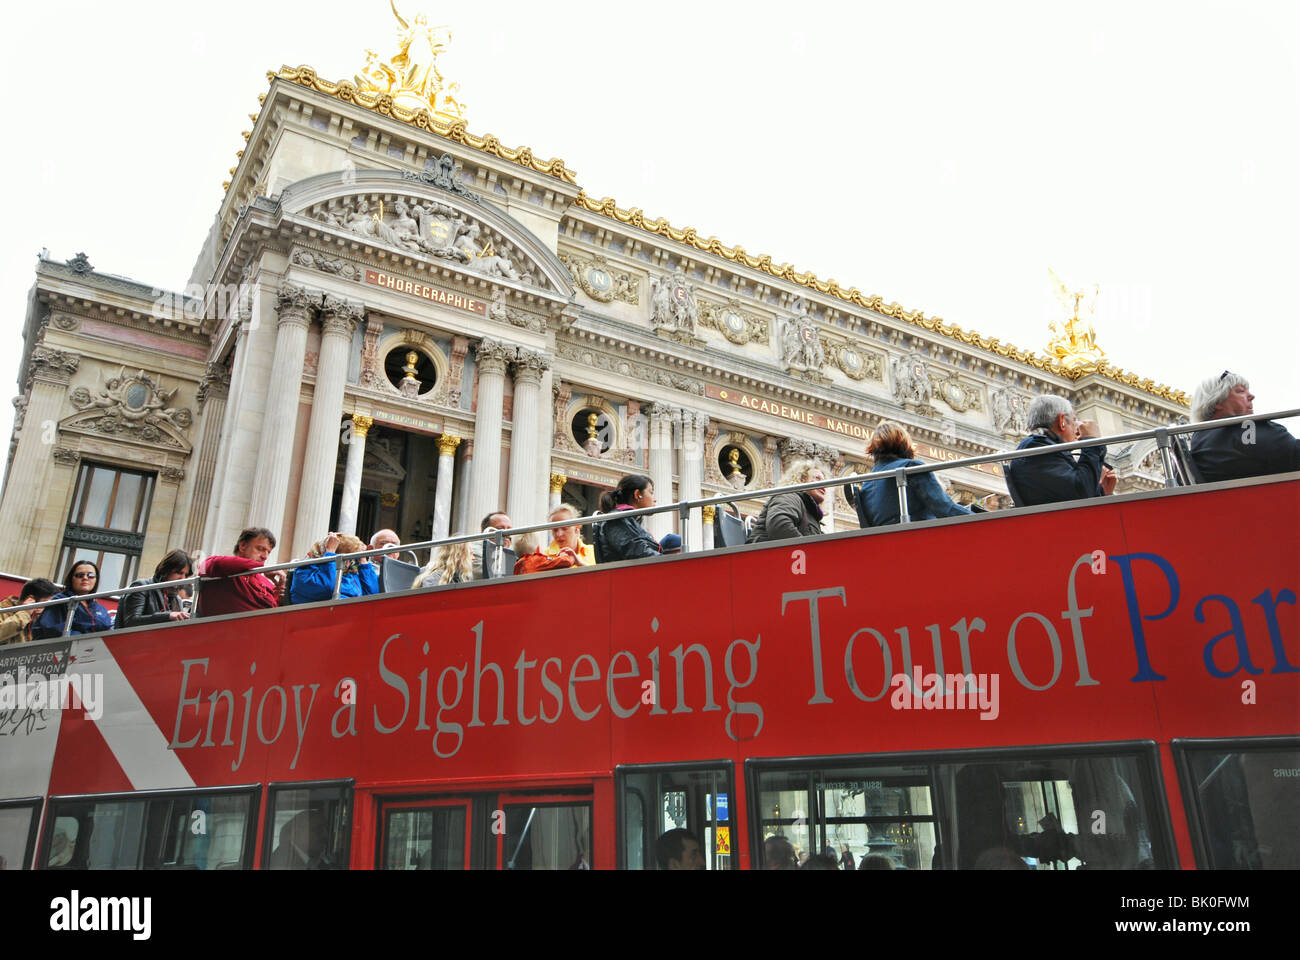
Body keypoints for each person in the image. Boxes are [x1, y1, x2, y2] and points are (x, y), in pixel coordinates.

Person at [1004, 395, 1117, 507]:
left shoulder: (1043, 447)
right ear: (1062, 421)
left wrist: (1103, 492)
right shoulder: (1037, 449)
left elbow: (1071, 494)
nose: (1076, 429)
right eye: (1074, 420)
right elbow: (1081, 492)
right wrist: (1092, 442)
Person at [1188, 372, 1300, 483]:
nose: (1251, 396)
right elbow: (1293, 453)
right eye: (1241, 391)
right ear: (1217, 401)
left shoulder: (1199, 439)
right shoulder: (1246, 429)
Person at [856, 421, 971, 526]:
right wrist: (982, 518)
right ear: (904, 442)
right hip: (920, 538)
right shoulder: (910, 468)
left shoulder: (867, 483)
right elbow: (944, 508)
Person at [197, 527, 285, 617]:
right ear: (242, 546)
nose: (265, 556)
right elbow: (203, 567)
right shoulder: (221, 568)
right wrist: (264, 567)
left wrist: (281, 598)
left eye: (268, 552)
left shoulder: (267, 583)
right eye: (260, 549)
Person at [746, 460, 827, 543]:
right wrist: (807, 551)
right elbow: (780, 526)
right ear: (802, 480)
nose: (823, 484)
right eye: (817, 478)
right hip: (765, 553)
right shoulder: (789, 496)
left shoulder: (810, 511)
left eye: (824, 481)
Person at [31, 561, 114, 639]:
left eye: (91, 575)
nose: (85, 578)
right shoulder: (60, 600)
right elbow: (53, 629)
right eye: (80, 575)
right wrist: (87, 638)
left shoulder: (100, 608)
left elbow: (108, 631)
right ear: (71, 579)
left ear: (96, 580)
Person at [288, 533, 380, 604]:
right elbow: (328, 589)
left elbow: (372, 595)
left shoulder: (349, 575)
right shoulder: (305, 571)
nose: (349, 563)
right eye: (346, 559)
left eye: (351, 559)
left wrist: (363, 560)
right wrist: (331, 555)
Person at [116, 549, 192, 629]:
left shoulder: (177, 599)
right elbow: (131, 622)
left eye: (186, 575)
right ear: (166, 570)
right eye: (179, 573)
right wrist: (168, 616)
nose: (183, 578)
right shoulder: (141, 586)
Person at [592, 475, 662, 563]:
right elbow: (638, 553)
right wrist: (669, 561)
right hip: (628, 574)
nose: (654, 499)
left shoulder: (627, 519)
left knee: (672, 540)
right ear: (638, 495)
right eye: (650, 492)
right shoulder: (617, 520)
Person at [0, 578, 58, 646]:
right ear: (31, 599)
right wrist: (25, 613)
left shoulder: (37, 617)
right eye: (45, 603)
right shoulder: (3, 610)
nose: (46, 609)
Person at [513, 531, 580, 576]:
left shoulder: (518, 565)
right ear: (537, 549)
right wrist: (569, 557)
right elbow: (564, 562)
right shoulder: (535, 560)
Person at [471, 511, 514, 579]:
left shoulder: (513, 551)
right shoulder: (473, 550)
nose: (506, 533)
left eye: (509, 529)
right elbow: (489, 575)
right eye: (500, 529)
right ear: (484, 532)